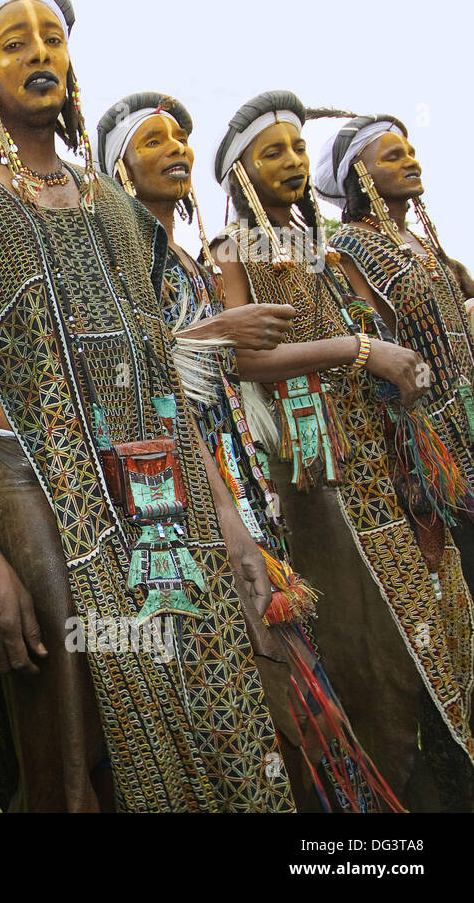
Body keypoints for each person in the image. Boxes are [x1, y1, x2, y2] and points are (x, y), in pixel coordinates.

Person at [0, 0, 290, 812]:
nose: (40, 53)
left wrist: (226, 520)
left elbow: (159, 373)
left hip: (151, 486)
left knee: (209, 702)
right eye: (13, 41)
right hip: (25, 484)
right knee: (72, 748)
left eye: (54, 37)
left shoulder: (115, 206)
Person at [98, 91, 401, 811]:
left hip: (239, 479)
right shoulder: (121, 261)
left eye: (181, 138)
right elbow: (124, 373)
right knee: (259, 701)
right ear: (117, 172)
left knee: (294, 694)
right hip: (186, 502)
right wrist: (220, 335)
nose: (177, 149)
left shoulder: (183, 261)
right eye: (154, 142)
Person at [211, 90, 474, 810]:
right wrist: (359, 349)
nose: (292, 161)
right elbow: (242, 361)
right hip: (319, 485)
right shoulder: (233, 249)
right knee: (371, 661)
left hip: (384, 471)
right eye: (273, 152)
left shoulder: (320, 247)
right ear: (240, 174)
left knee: (431, 647)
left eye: (298, 148)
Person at [317, 115, 474, 590]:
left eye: (409, 151)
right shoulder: (348, 246)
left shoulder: (420, 242)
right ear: (358, 177)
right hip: (426, 432)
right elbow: (370, 338)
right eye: (392, 155)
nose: (410, 160)